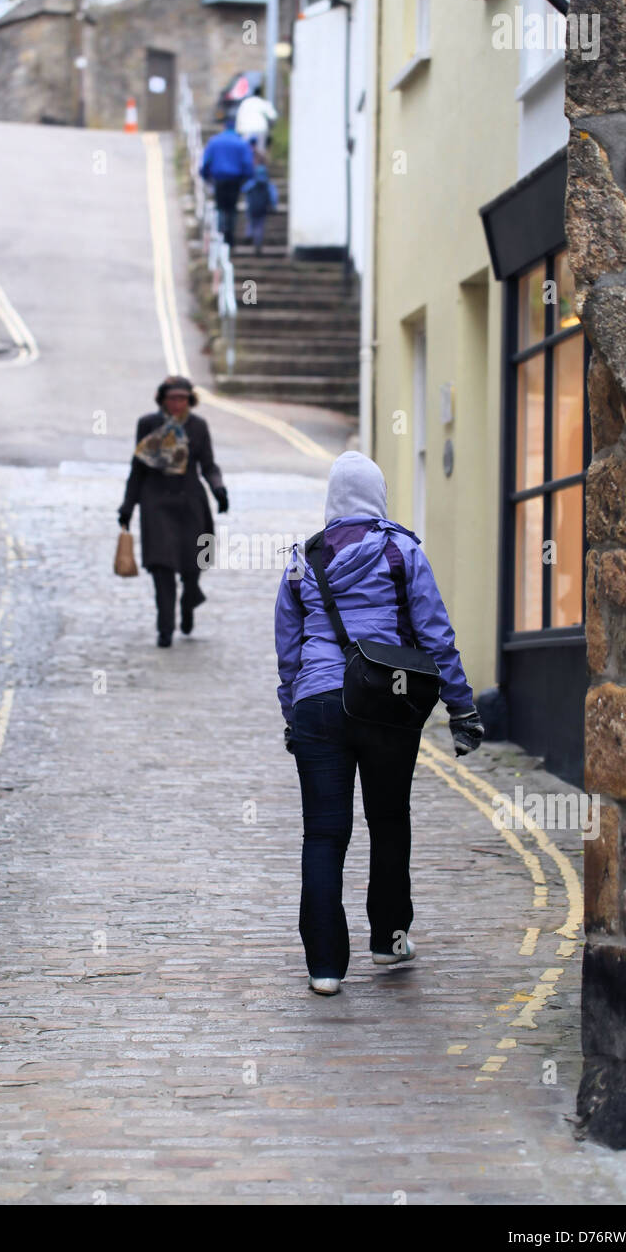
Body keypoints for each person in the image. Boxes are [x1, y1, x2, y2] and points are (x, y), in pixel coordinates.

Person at [274, 451, 484, 996]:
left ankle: (324, 966)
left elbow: (289, 652)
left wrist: (291, 712)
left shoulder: (302, 559)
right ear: (378, 495)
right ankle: (388, 942)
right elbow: (436, 637)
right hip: (387, 703)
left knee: (323, 834)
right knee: (389, 821)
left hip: (318, 704)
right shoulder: (402, 550)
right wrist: (460, 707)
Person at [118, 377, 228, 647]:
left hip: (191, 503)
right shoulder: (148, 425)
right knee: (162, 567)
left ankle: (189, 601)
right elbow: (138, 468)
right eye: (172, 398)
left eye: (182, 398)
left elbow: (209, 465)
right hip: (156, 503)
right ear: (162, 399)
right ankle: (164, 628)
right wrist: (127, 505)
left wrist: (219, 489)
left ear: (190, 400)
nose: (177, 404)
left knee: (195, 565)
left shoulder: (198, 427)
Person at [200, 116, 255, 249]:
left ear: (224, 127)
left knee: (220, 208)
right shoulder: (241, 143)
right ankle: (230, 237)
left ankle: (221, 235)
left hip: (219, 180)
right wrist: (246, 178)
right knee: (232, 209)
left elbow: (206, 162)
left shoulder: (214, 142)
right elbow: (248, 164)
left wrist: (205, 176)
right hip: (235, 180)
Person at [242, 145, 278, 255]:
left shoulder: (253, 180)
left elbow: (245, 189)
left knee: (251, 221)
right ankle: (258, 242)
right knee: (260, 225)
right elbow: (273, 193)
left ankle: (249, 234)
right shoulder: (267, 183)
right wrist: (273, 204)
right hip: (263, 206)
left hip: (252, 205)